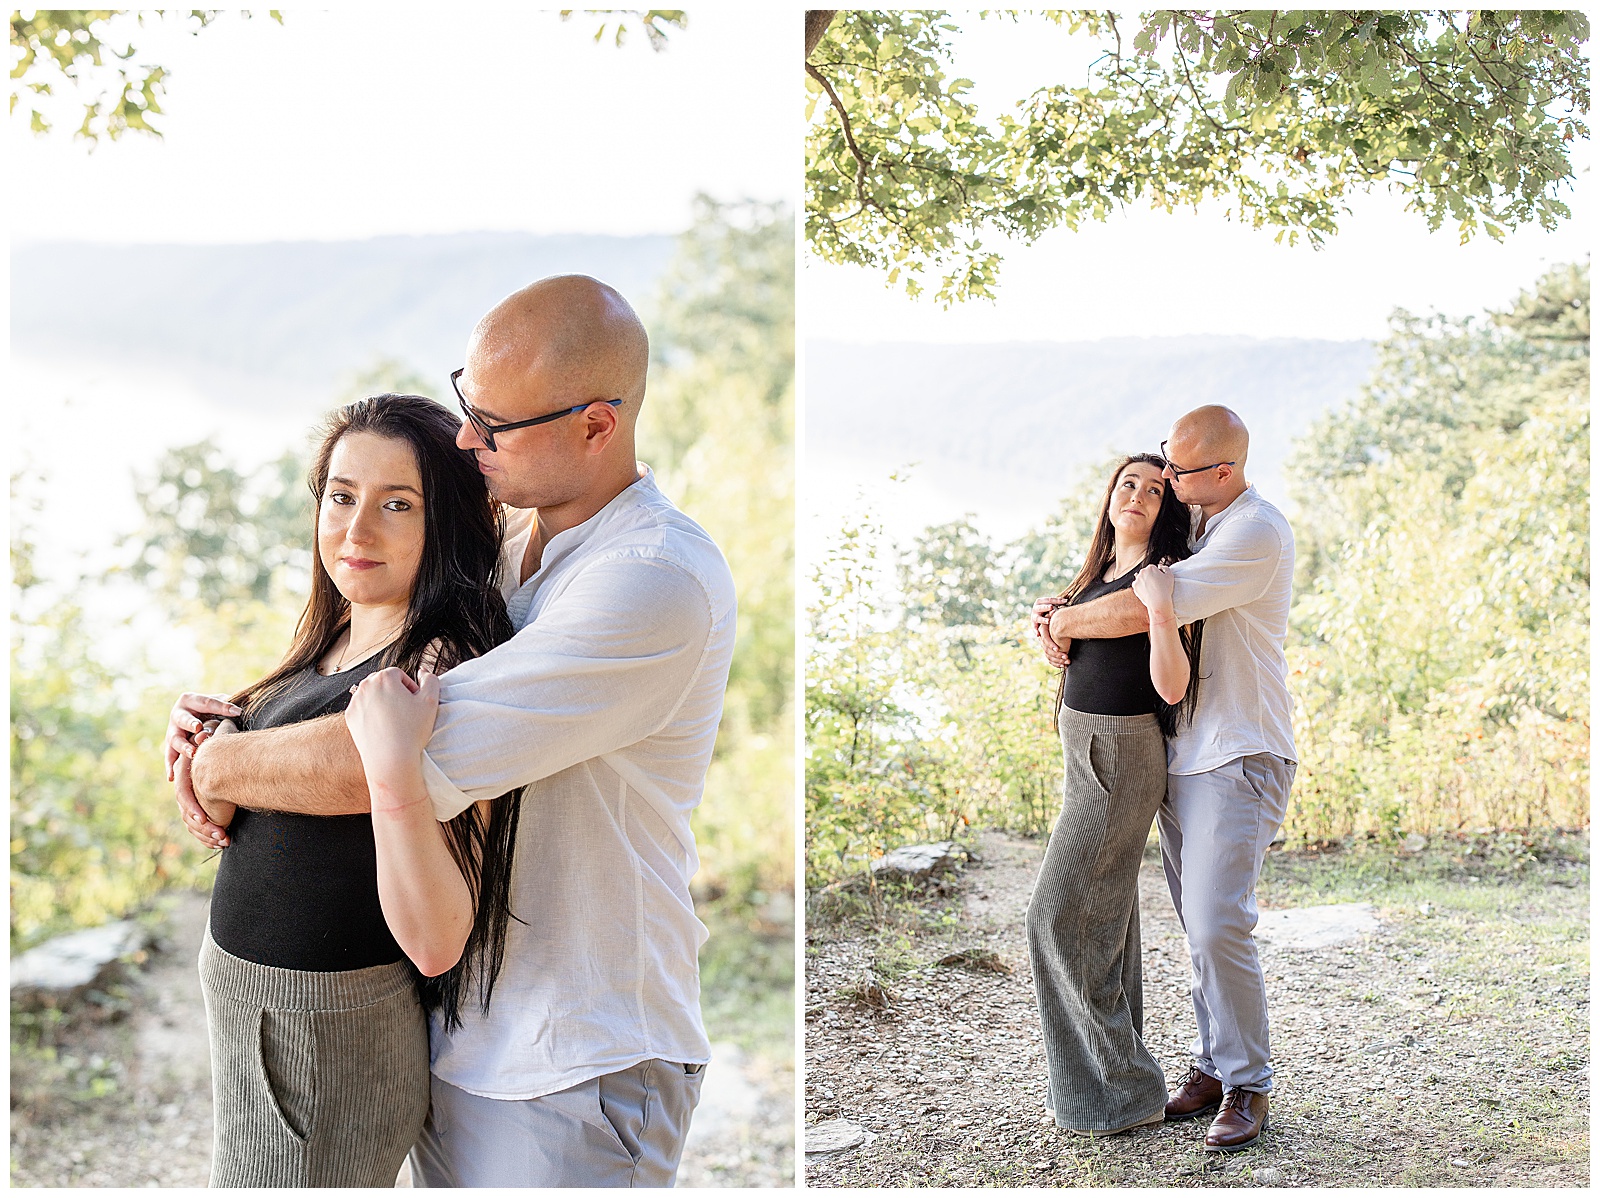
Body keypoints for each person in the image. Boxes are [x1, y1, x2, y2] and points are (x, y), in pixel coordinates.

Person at [167, 274, 736, 1187]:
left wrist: (220, 767)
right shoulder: (515, 542)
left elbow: (389, 757)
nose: (468, 439)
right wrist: (223, 715)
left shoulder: (650, 581)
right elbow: (364, 660)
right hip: (457, 1031)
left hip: (570, 1056)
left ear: (598, 425)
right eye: (468, 403)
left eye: (495, 426)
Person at [168, 393, 523, 1187]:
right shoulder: (335, 634)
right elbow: (230, 804)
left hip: (325, 1040)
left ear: (450, 521)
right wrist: (206, 737)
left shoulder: (444, 662)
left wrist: (222, 761)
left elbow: (437, 927)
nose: (356, 530)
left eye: (398, 503)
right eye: (342, 495)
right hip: (258, 1016)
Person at [1033, 404, 1295, 1153]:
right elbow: (1125, 593)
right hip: (1186, 753)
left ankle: (1248, 1081)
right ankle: (1213, 1065)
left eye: (1176, 471)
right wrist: (1061, 609)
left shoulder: (1254, 532)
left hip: (1238, 753)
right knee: (1197, 926)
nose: (1167, 480)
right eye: (1160, 464)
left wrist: (1060, 622)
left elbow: (1147, 608)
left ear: (1222, 471)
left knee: (1218, 924)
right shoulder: (1206, 524)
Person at [1024, 453, 1202, 1137]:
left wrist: (1062, 624)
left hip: (1121, 756)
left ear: (1168, 511)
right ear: (1108, 495)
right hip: (1088, 753)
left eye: (1155, 491)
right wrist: (1053, 625)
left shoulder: (1156, 580)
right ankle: (1108, 1094)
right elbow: (1079, 636)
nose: (1137, 495)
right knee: (1106, 925)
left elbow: (1129, 620)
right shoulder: (1093, 575)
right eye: (1128, 483)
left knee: (1055, 920)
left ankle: (1126, 1087)